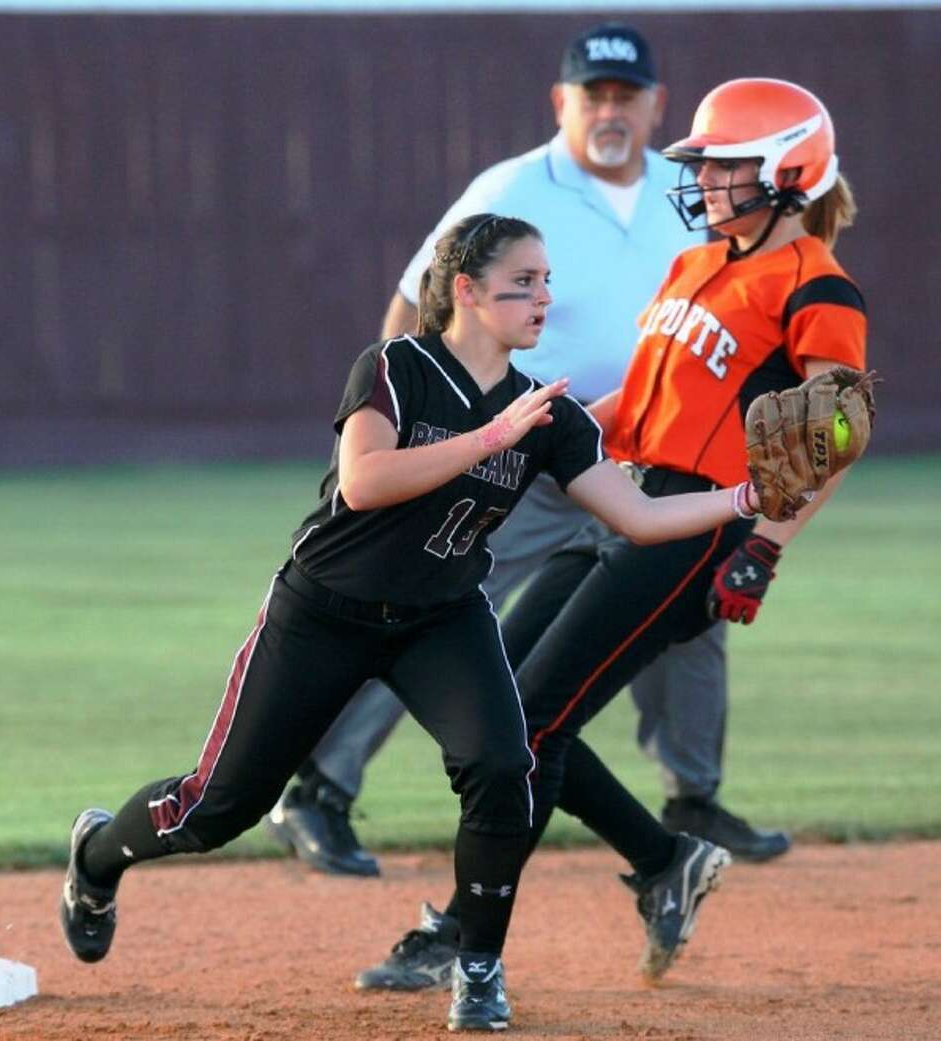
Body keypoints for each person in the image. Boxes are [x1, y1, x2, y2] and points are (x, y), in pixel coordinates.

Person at [60, 213, 774, 1032]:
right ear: (466, 291)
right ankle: (95, 855)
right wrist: (492, 436)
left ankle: (477, 966)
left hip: (441, 616)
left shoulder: (547, 415)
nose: (544, 298)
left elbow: (637, 518)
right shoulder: (397, 367)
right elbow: (364, 482)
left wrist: (747, 499)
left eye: (547, 282)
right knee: (215, 808)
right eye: (523, 283)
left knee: (506, 763)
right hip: (322, 611)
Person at [354, 77, 867, 994]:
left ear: (788, 169)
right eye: (703, 165)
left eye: (726, 165)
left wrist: (768, 544)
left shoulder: (816, 283)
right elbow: (646, 399)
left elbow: (835, 431)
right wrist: (532, 436)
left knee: (534, 720)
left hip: (695, 532)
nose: (704, 180)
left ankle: (467, 935)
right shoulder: (696, 266)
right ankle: (665, 859)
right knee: (495, 699)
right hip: (625, 506)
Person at [263, 21, 789, 881]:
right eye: (595, 95)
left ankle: (694, 795)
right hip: (523, 449)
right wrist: (426, 423)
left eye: (627, 96)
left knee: (687, 619)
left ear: (657, 105)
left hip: (656, 447)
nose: (610, 111)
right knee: (426, 603)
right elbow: (412, 306)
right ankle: (318, 787)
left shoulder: (688, 193)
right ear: (563, 102)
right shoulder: (511, 187)